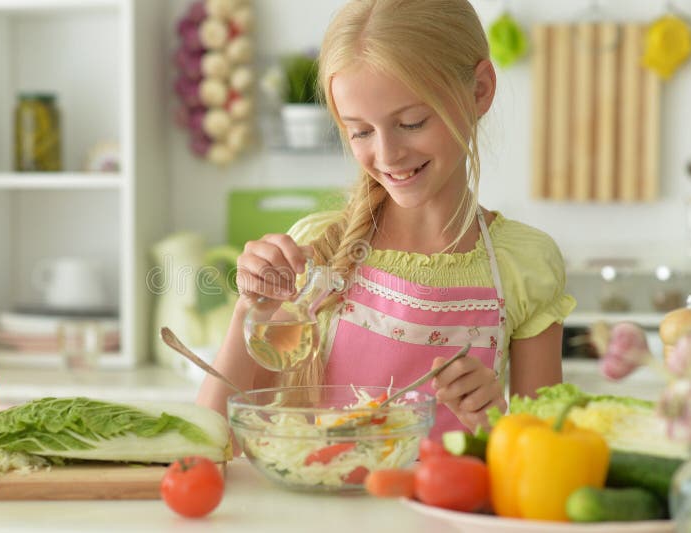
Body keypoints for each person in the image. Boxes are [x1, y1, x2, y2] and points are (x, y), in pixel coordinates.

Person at [197, 0, 576, 435]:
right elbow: (215, 437)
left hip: (442, 504)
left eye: (412, 122)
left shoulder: (524, 263)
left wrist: (493, 424)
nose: (388, 154)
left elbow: (542, 462)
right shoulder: (315, 250)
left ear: (480, 90)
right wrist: (250, 308)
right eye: (360, 131)